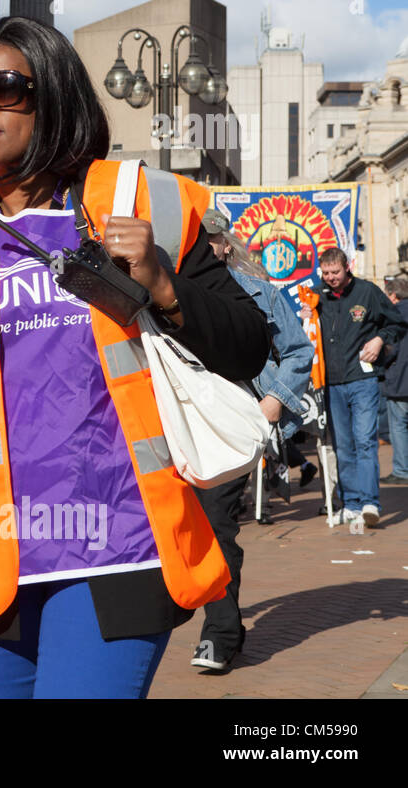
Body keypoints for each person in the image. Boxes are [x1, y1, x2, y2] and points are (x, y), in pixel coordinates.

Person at [0, 16, 271, 699]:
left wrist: (159, 280)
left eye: (4, 87)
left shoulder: (140, 201)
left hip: (117, 546)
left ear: (54, 97)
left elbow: (248, 341)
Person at [192, 210, 313, 672]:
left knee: (218, 524)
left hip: (235, 424)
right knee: (178, 529)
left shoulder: (260, 292)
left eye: (211, 240)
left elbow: (299, 349)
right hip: (173, 425)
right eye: (195, 241)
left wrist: (274, 403)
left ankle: (220, 634)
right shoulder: (167, 289)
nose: (205, 247)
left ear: (226, 245)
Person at [316, 248, 405, 526]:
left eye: (335, 273)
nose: (330, 278)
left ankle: (369, 502)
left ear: (347, 268)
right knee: (343, 446)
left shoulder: (367, 292)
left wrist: (379, 340)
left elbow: (397, 323)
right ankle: (351, 503)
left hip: (363, 379)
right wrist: (307, 314)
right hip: (332, 382)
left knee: (365, 441)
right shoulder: (316, 295)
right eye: (326, 273)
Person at [383, 278, 408, 486]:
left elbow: (392, 348)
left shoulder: (394, 315)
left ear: (393, 296)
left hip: (400, 379)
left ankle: (401, 470)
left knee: (399, 426)